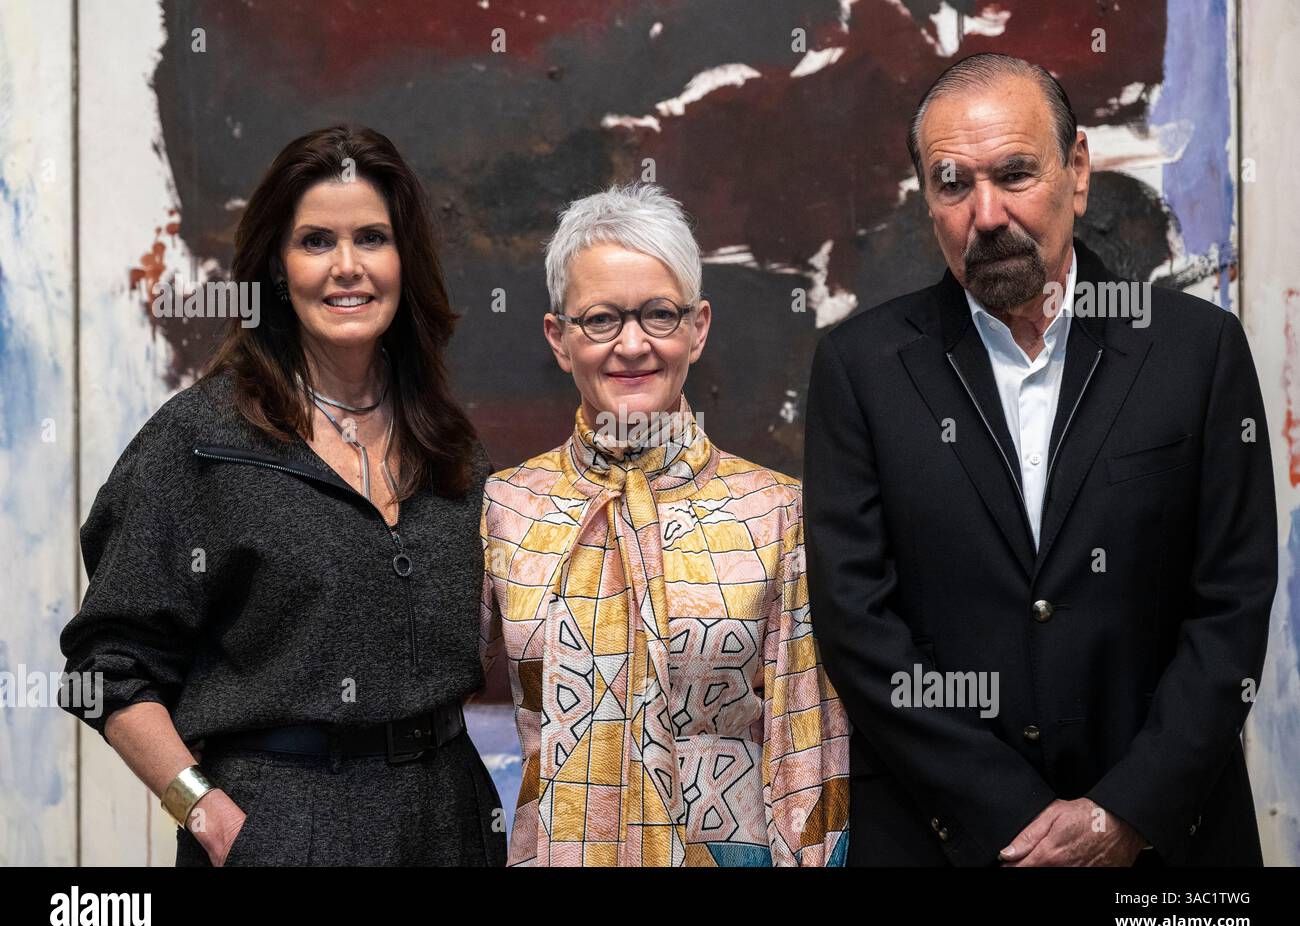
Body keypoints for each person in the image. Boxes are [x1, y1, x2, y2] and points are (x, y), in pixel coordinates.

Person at [804, 53, 1276, 866]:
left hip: (1167, 847)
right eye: (953, 184)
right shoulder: (861, 368)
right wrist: (1011, 816)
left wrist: (1125, 813)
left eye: (1015, 173)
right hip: (945, 840)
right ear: (928, 198)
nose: (987, 214)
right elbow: (857, 627)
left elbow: (1231, 607)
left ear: (1079, 172)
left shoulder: (1196, 354)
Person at [59, 125, 506, 866]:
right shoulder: (200, 439)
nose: (348, 267)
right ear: (274, 266)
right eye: (316, 242)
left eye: (372, 237)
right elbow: (101, 673)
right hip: (284, 827)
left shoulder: (449, 443)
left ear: (405, 259)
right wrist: (205, 812)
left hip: (450, 822)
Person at [479, 183, 850, 866]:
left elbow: (809, 752)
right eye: (600, 320)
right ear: (558, 338)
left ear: (698, 328)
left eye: (658, 315)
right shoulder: (506, 507)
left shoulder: (776, 513)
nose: (632, 345)